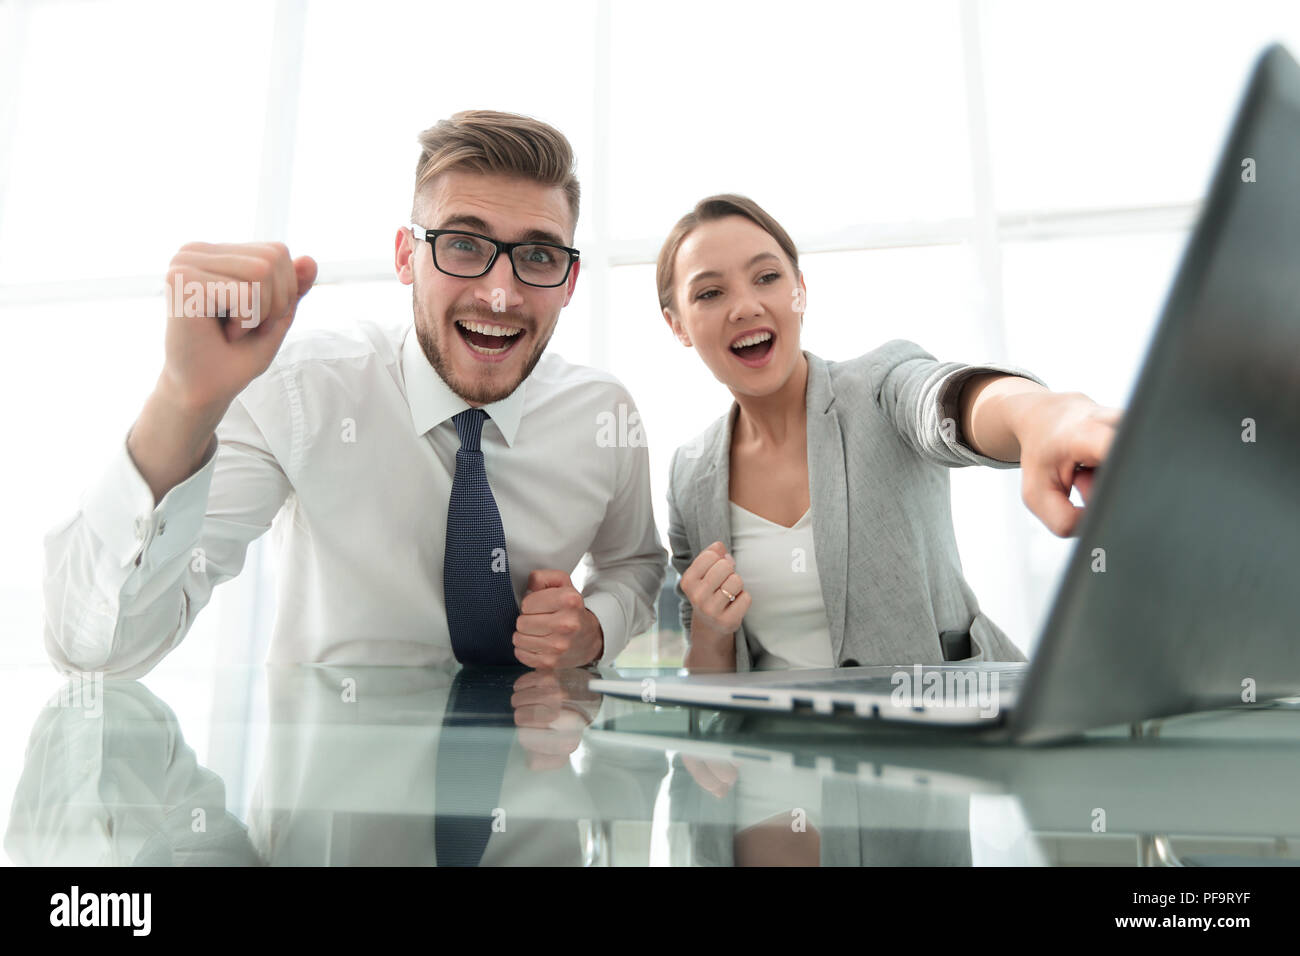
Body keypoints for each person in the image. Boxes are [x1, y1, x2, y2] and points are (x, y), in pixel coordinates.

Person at [43, 110, 666, 678]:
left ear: (570, 281)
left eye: (536, 255)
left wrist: (594, 629)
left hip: (535, 784)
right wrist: (181, 406)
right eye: (463, 245)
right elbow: (99, 652)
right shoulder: (303, 391)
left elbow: (635, 564)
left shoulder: (601, 414)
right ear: (405, 256)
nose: (499, 292)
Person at [658, 194, 1120, 672]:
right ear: (678, 326)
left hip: (944, 732)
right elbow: (708, 678)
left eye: (767, 277)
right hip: (781, 743)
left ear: (800, 291)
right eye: (710, 293)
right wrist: (712, 632)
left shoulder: (879, 385)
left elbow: (941, 400)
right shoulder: (689, 475)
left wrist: (1038, 416)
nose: (745, 306)